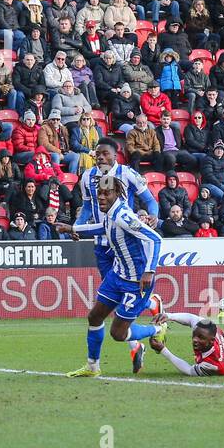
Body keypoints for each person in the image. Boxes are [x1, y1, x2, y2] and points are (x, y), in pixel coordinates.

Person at [68, 137, 159, 372]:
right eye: (97, 154)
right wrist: (76, 226)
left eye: (105, 154)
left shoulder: (127, 175)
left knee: (120, 306)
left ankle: (142, 328)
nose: (100, 157)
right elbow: (88, 207)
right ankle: (133, 341)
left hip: (125, 239)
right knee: (106, 306)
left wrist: (153, 216)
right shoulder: (88, 177)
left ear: (115, 155)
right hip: (103, 241)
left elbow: (149, 200)